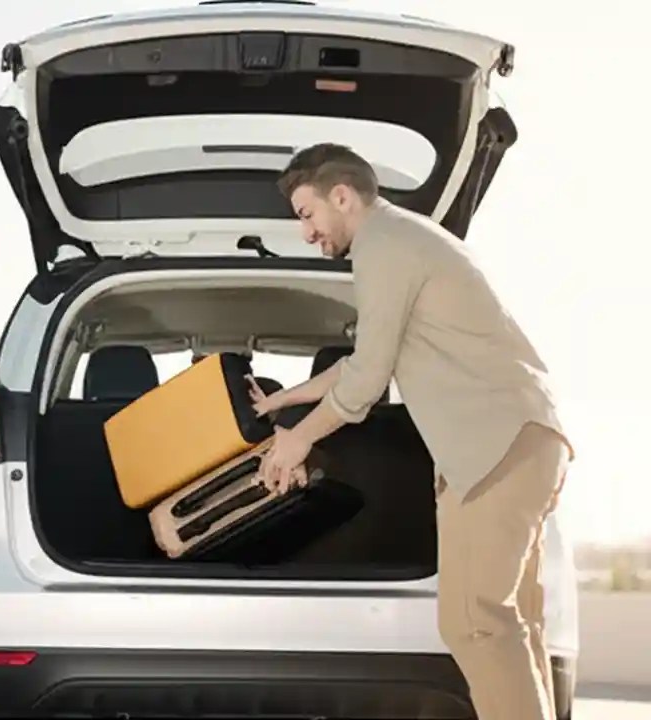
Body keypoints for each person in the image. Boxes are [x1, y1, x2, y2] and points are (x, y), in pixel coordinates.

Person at [246, 143, 574, 720]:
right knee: (509, 626)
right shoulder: (409, 238)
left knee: (475, 624)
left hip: (494, 448)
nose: (307, 233)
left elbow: (367, 377)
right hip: (523, 439)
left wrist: (300, 439)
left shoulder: (383, 246)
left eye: (307, 214)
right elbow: (359, 364)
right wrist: (284, 400)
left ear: (341, 196)